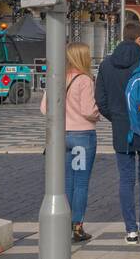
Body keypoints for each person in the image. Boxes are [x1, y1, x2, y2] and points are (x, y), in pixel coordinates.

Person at [96, 21, 140, 245]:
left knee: (125, 179)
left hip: (121, 132)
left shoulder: (106, 65)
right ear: (137, 39)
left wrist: (119, 119)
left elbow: (101, 101)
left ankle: (130, 230)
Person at [41, 42, 99, 243]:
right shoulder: (85, 80)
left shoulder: (56, 78)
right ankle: (77, 225)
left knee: (67, 181)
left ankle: (63, 223)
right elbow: (88, 110)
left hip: (61, 137)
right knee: (81, 183)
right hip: (82, 136)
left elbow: (44, 108)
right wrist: (97, 114)